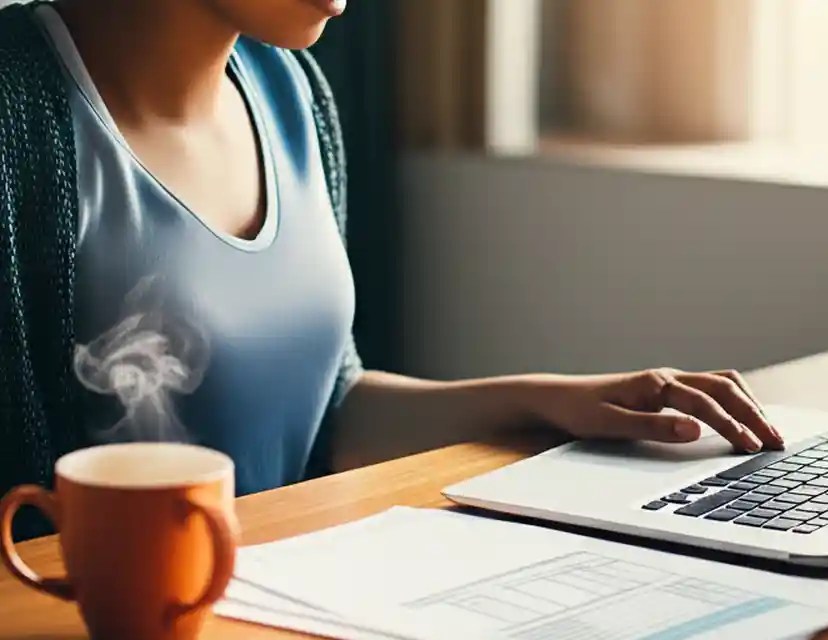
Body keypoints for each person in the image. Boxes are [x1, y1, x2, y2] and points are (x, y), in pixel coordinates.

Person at [0, 0, 784, 541]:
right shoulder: (17, 113)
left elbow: (322, 414)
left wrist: (554, 401)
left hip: (283, 627)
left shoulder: (289, 90)